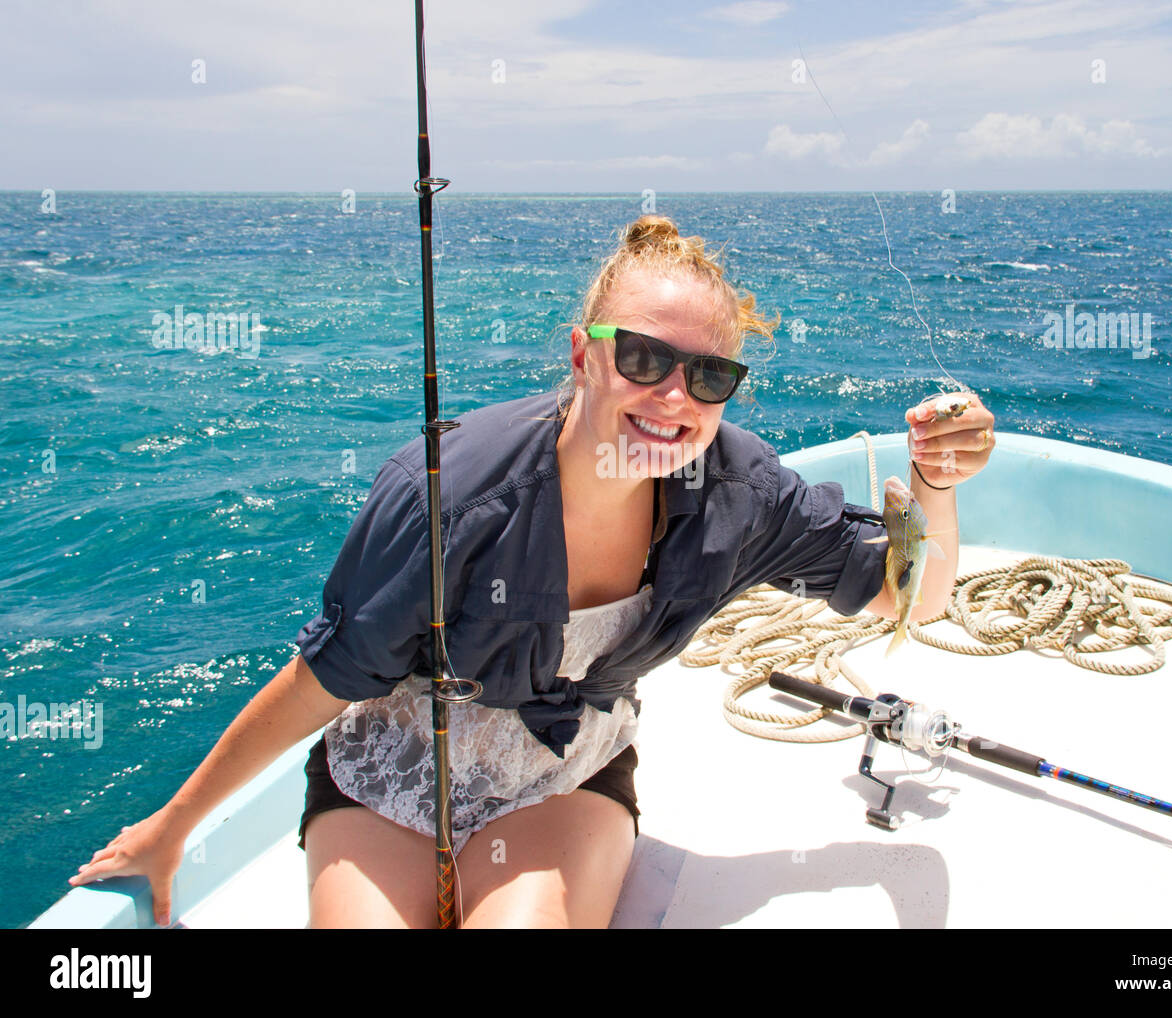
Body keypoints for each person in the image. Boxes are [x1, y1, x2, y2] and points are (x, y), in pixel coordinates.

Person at [68, 215, 996, 928]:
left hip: (563, 774)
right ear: (583, 355)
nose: (673, 398)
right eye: (642, 358)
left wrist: (935, 485)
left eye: (708, 377)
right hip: (395, 772)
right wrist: (175, 824)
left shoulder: (739, 491)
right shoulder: (450, 492)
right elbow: (323, 681)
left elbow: (907, 593)